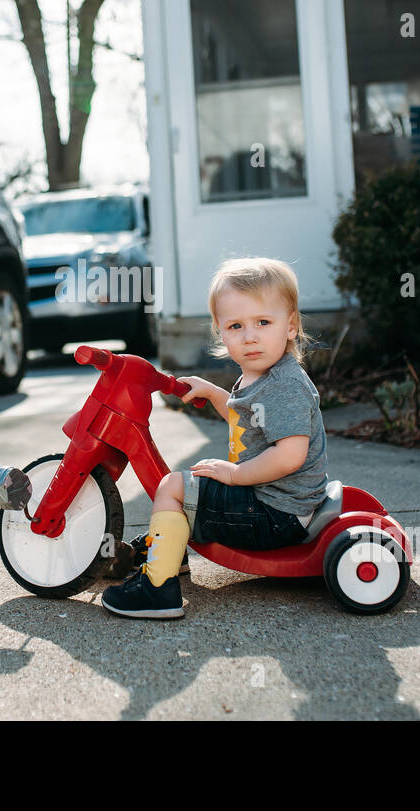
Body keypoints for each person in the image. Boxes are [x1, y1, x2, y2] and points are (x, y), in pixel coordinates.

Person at [101, 256, 329, 619]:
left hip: (276, 514)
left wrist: (235, 475)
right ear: (220, 331)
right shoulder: (262, 373)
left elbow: (290, 456)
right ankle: (170, 557)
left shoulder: (284, 385)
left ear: (291, 326)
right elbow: (247, 420)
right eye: (236, 325)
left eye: (263, 322)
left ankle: (158, 589)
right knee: (195, 480)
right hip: (275, 505)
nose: (249, 335)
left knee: (172, 487)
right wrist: (212, 392)